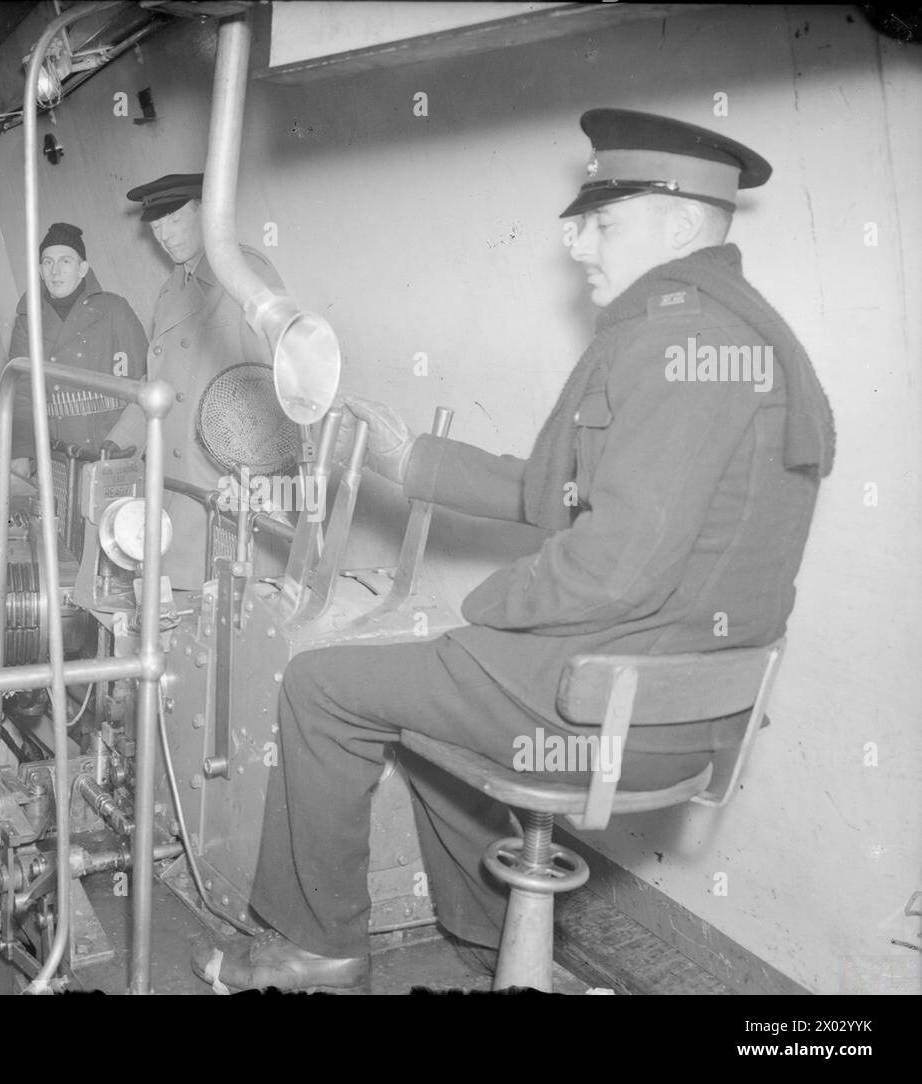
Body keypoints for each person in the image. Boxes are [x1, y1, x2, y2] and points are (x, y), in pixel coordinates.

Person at [191, 109, 836, 993]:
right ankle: (489, 939)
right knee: (418, 711)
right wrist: (409, 460)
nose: (578, 244)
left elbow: (616, 565)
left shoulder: (680, 343)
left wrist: (479, 619)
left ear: (681, 225)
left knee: (325, 686)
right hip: (682, 707)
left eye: (605, 222)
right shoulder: (734, 332)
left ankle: (319, 946)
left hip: (614, 712)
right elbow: (556, 488)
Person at [105, 173, 285, 590]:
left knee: (221, 609)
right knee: (172, 604)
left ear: (206, 215)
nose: (164, 236)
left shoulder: (244, 273)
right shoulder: (173, 288)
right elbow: (156, 383)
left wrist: (250, 475)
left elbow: (272, 380)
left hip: (218, 480)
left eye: (173, 221)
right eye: (155, 228)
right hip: (173, 480)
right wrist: (121, 442)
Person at [8, 222, 147, 456]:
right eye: (48, 262)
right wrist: (22, 455)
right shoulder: (27, 320)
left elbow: (144, 382)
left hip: (111, 449)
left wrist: (124, 439)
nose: (55, 271)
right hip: (55, 452)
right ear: (40, 271)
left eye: (65, 261)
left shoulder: (115, 310)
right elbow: (21, 394)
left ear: (82, 269)